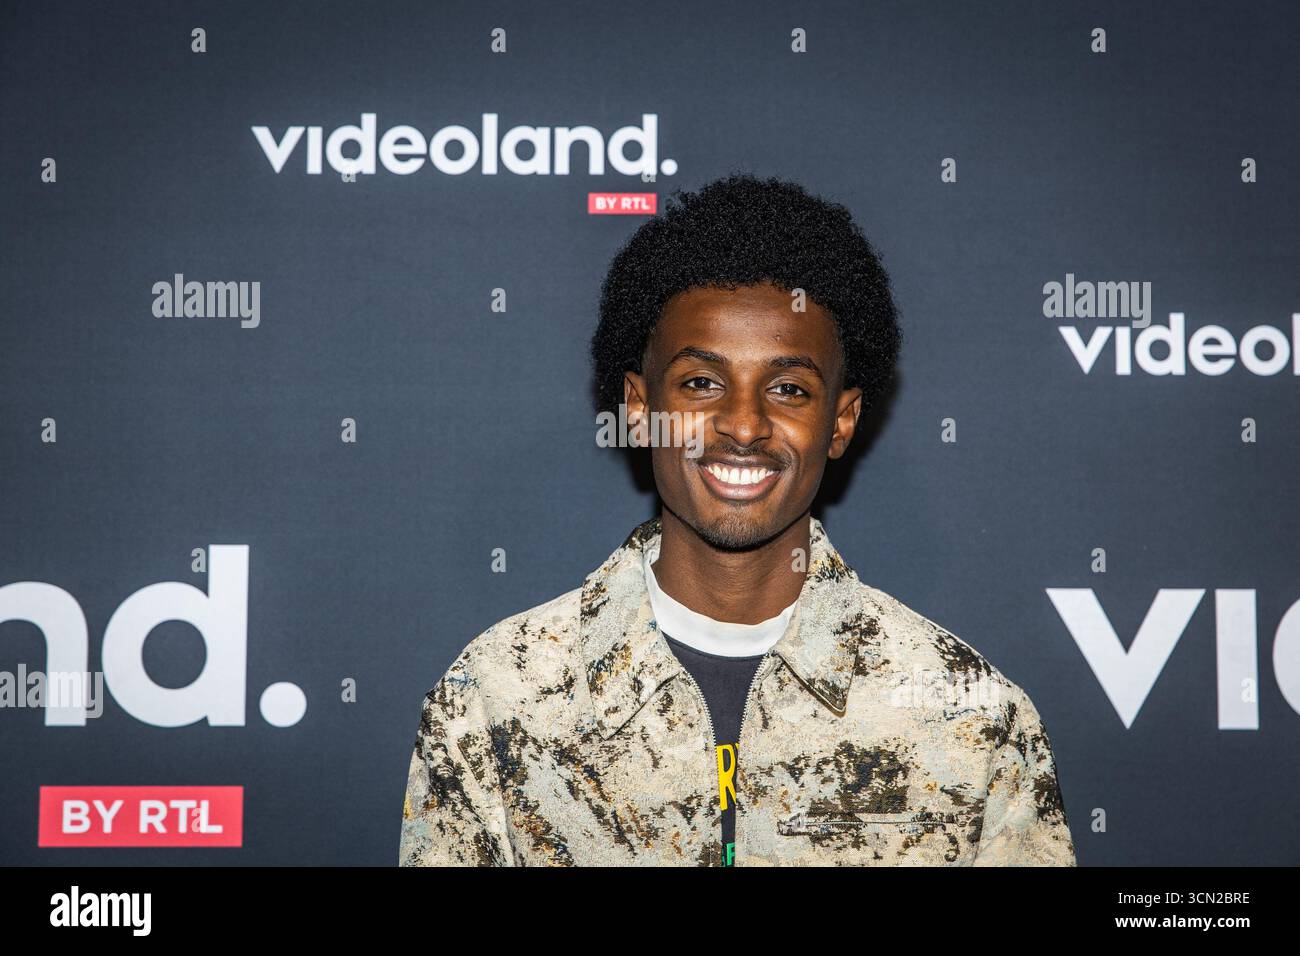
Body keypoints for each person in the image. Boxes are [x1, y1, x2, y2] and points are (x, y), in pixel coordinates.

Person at [398, 173, 1076, 866]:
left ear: (840, 420)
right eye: (701, 383)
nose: (744, 425)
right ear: (639, 408)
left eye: (788, 388)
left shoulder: (968, 715)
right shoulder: (497, 699)